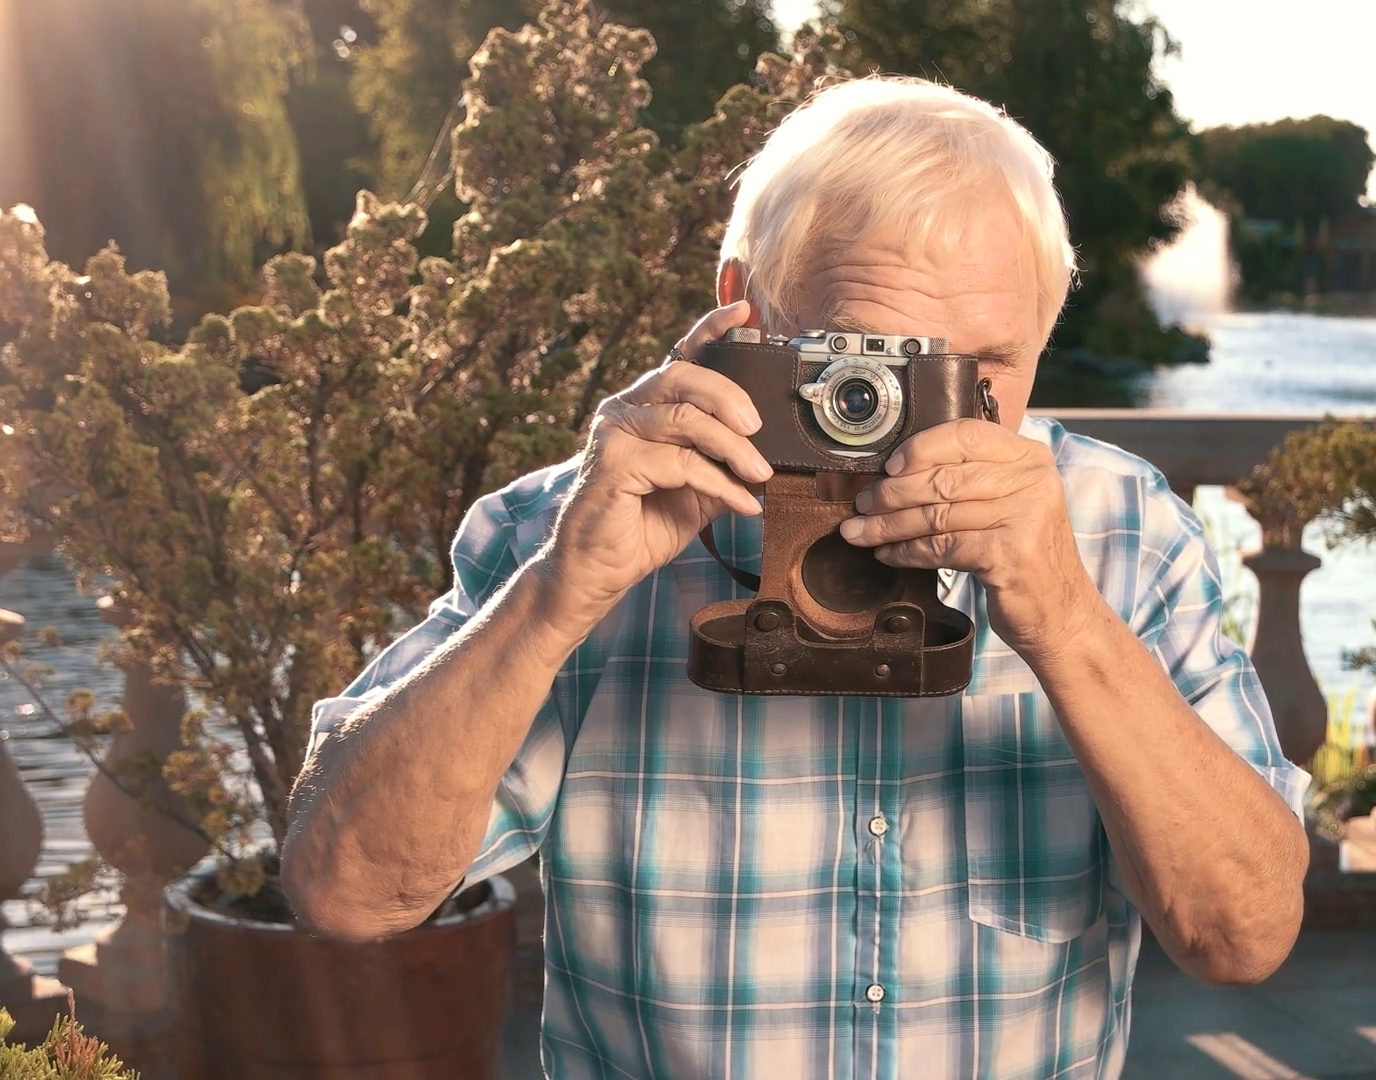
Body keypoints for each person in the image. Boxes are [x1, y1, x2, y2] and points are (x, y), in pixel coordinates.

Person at [282, 75, 1310, 1080]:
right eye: (870, 368)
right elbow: (348, 895)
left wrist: (1069, 623)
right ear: (744, 309)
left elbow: (1243, 938)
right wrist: (557, 596)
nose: (926, 426)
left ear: (1044, 332)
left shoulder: (1124, 531)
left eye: (983, 370)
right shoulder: (576, 530)